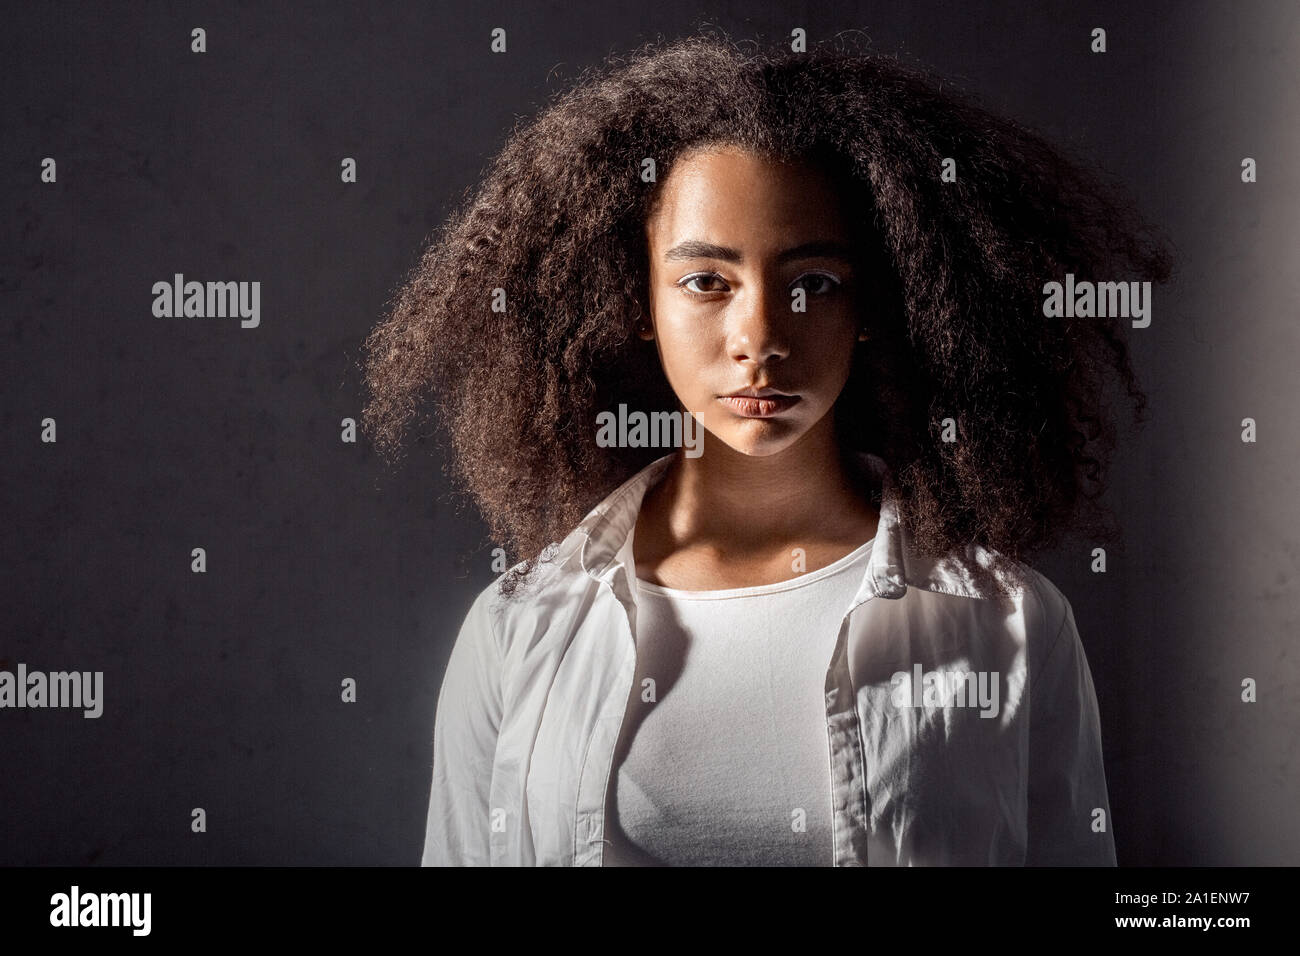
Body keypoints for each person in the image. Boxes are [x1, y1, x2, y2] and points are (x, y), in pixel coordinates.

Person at [360, 33, 1172, 866]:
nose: (759, 337)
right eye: (706, 281)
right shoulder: (519, 631)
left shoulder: (1010, 624)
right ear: (635, 299)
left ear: (874, 302)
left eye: (812, 283)